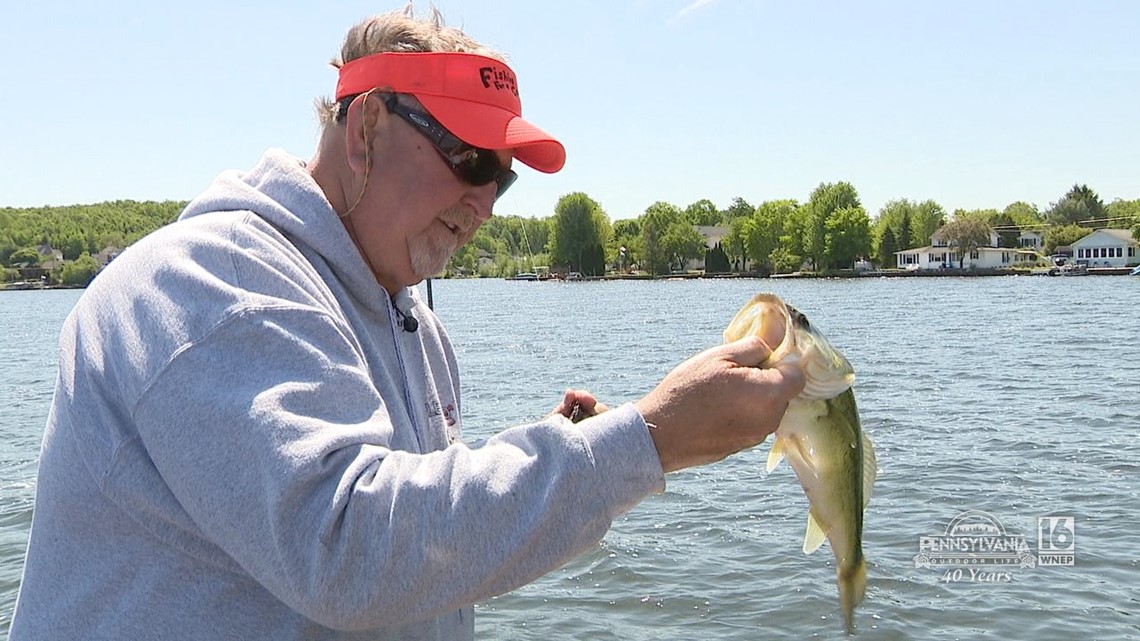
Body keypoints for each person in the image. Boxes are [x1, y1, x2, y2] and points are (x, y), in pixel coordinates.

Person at [10, 6, 803, 641]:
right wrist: (648, 439)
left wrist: (552, 448)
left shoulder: (413, 326)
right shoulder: (213, 283)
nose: (484, 204)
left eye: (502, 180)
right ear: (366, 131)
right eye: (470, 161)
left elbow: (415, 537)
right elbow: (346, 547)